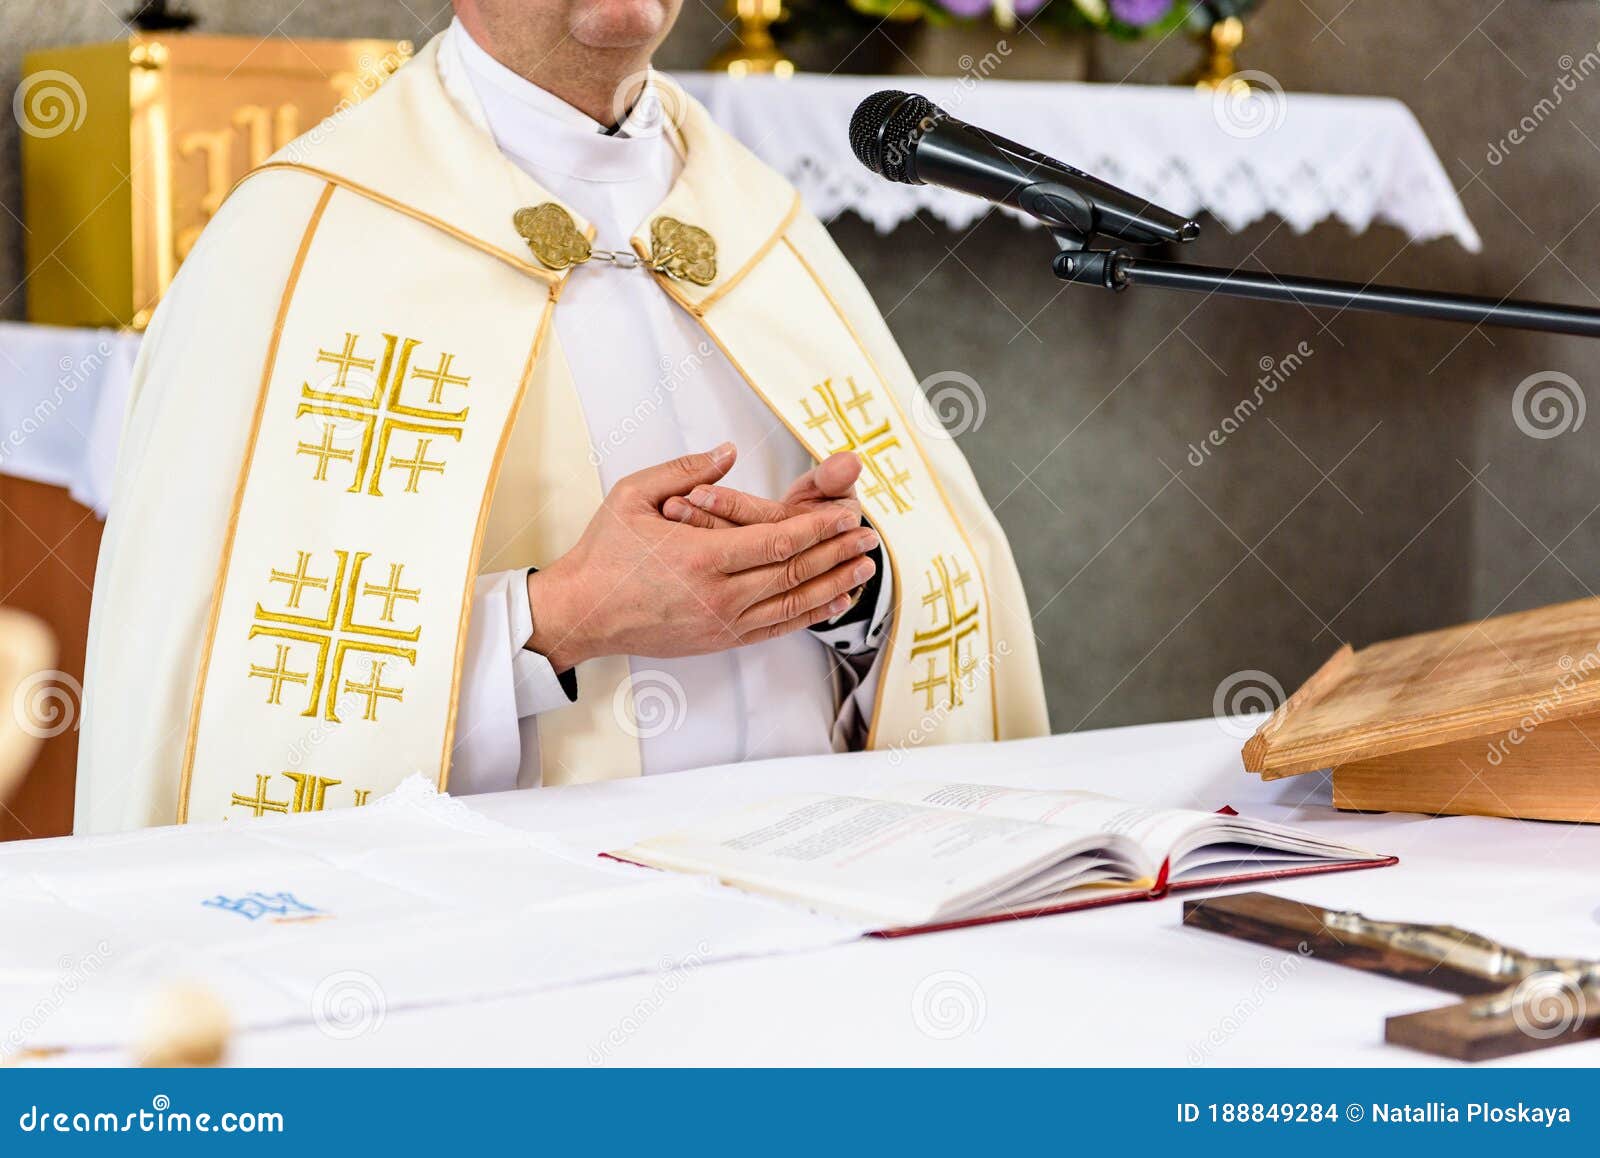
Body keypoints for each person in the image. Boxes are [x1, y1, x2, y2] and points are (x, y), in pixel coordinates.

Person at [75, 0, 1048, 833]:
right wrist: (568, 617)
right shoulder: (299, 239)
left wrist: (844, 587)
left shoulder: (759, 220)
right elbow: (230, 703)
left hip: (820, 898)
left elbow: (948, 589)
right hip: (495, 957)